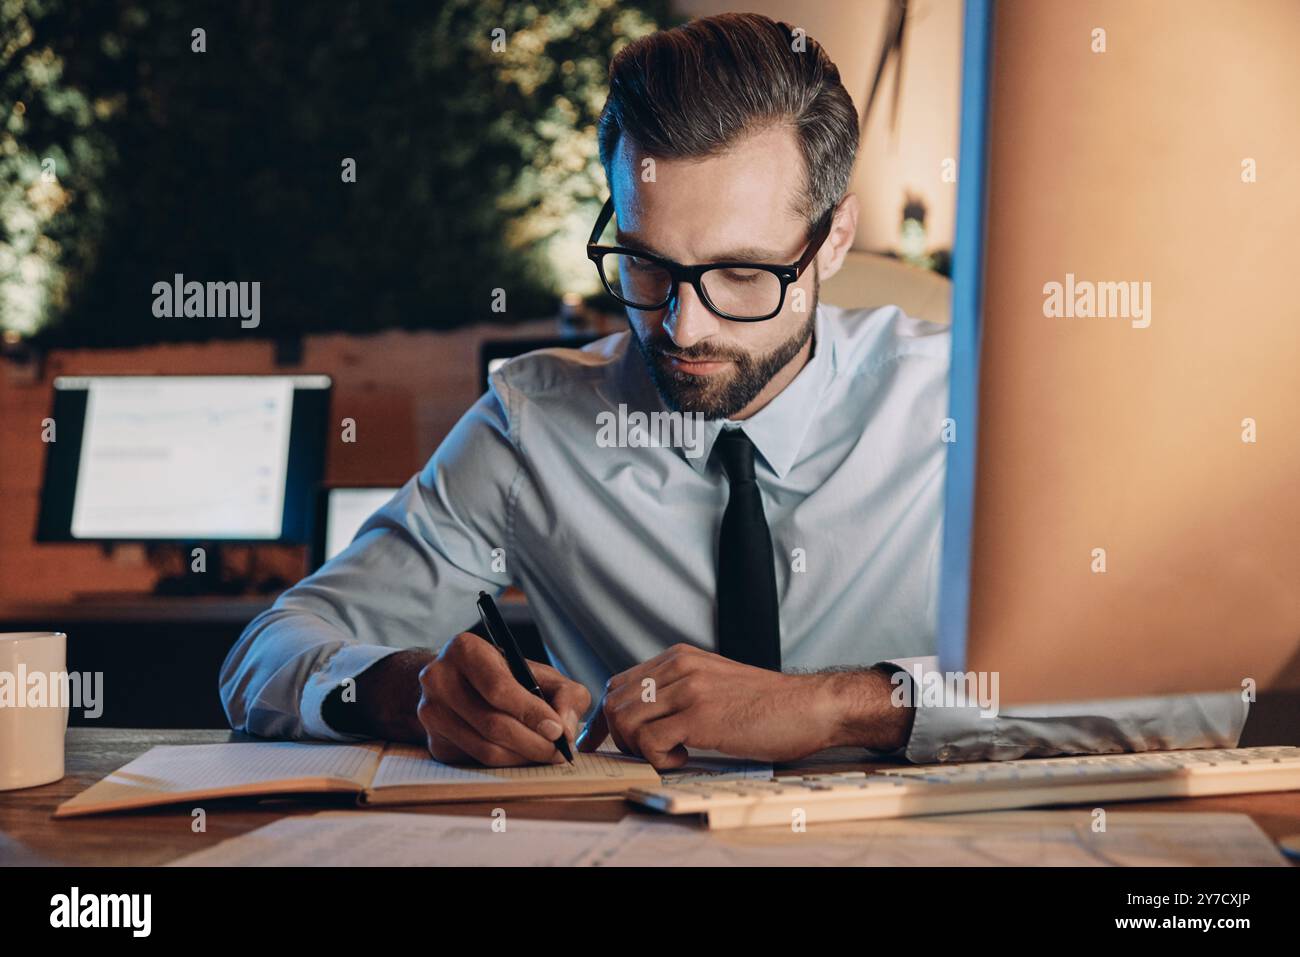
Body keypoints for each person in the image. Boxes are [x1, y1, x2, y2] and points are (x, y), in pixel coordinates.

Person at [220, 13, 1244, 769]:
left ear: (833, 238)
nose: (684, 325)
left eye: (745, 273)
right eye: (648, 266)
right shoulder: (535, 424)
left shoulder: (967, 407)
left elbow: (1196, 700)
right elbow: (267, 653)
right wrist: (400, 691)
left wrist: (847, 707)